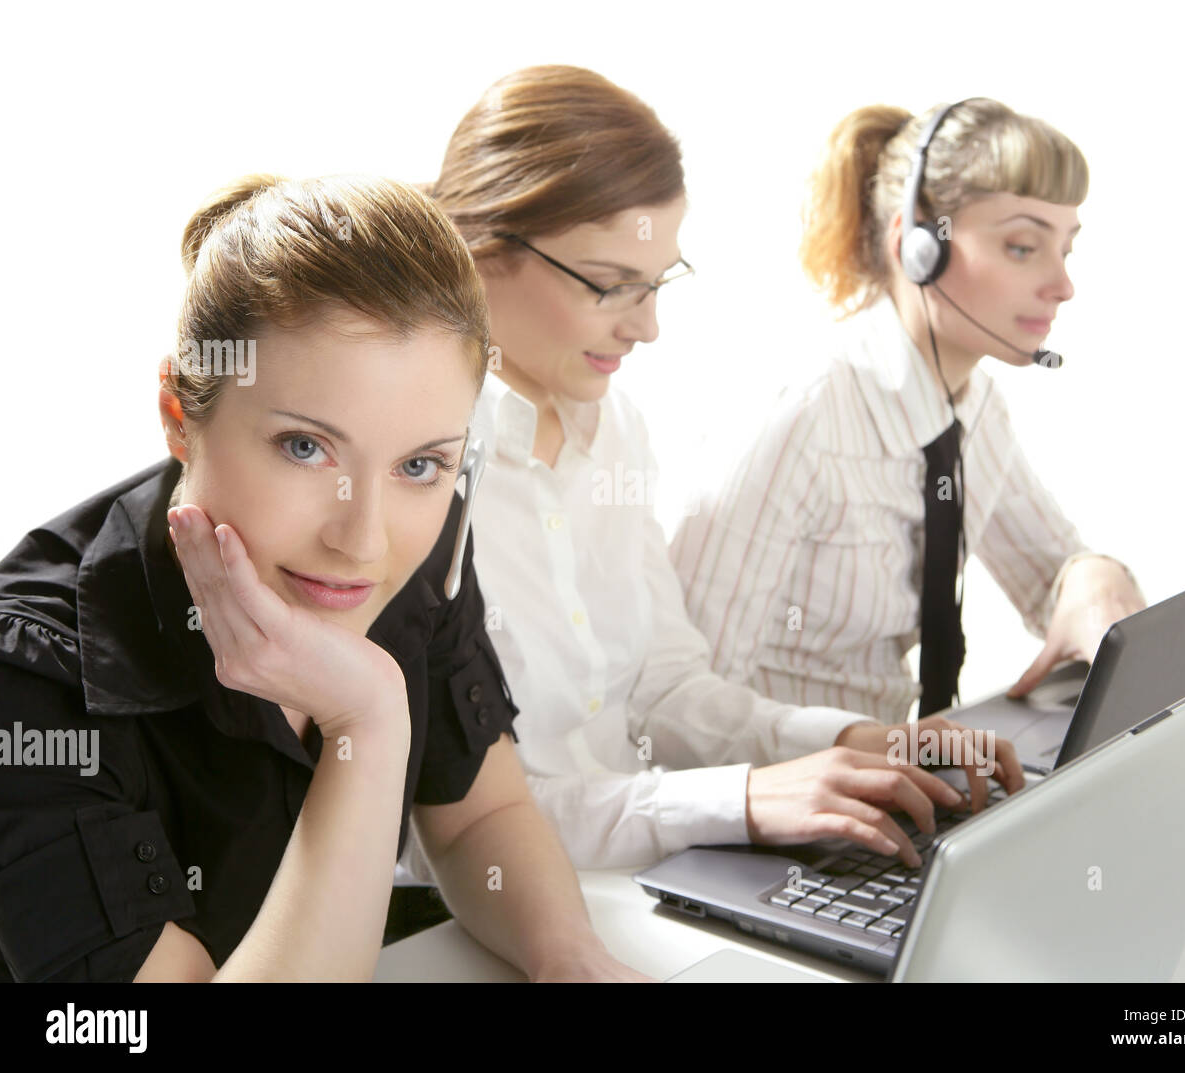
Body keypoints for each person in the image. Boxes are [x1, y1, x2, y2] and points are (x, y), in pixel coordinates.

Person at [0, 173, 647, 982]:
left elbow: (483, 814)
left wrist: (573, 960)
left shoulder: (422, 553)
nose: (362, 539)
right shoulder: (33, 676)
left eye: (420, 463)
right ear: (178, 415)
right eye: (306, 447)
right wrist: (367, 720)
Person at [415, 67, 1018, 875]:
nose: (649, 326)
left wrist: (847, 741)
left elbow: (664, 690)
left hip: (631, 879)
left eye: (658, 283)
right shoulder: (411, 466)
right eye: (610, 285)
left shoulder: (616, 428)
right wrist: (737, 799)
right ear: (479, 248)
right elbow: (464, 822)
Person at [670, 98, 1146, 727]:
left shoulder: (974, 407)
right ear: (916, 247)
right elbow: (676, 707)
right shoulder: (802, 417)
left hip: (900, 779)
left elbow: (1048, 575)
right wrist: (848, 753)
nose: (1063, 285)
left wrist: (1093, 576)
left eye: (1068, 249)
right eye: (1024, 247)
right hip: (786, 801)